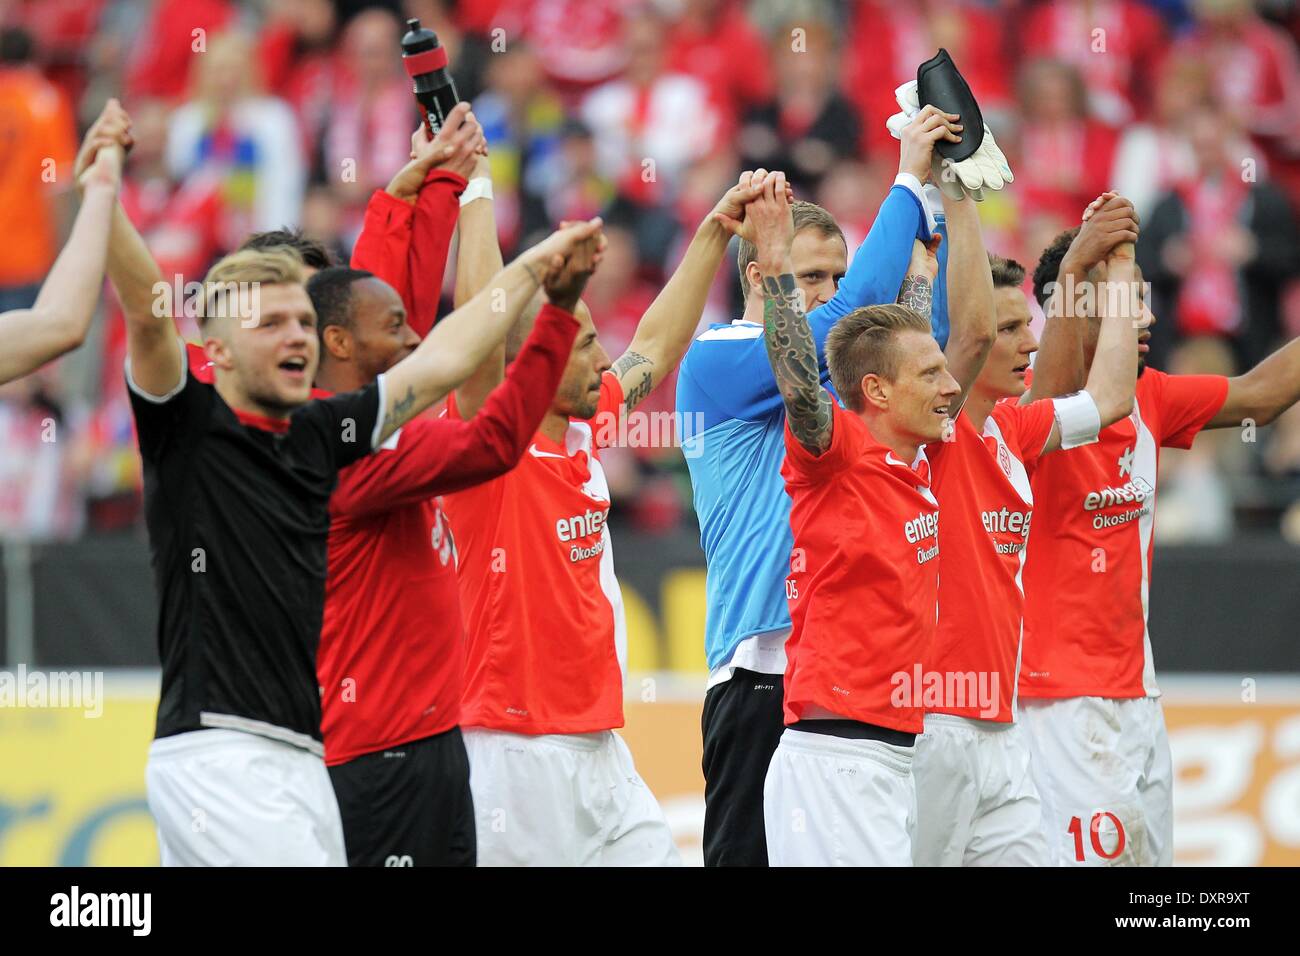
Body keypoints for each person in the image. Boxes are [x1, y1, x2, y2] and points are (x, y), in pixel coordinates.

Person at [91, 94, 604, 863]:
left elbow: (402, 332)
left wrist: (425, 197)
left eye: (302, 317)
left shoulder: (329, 423)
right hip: (278, 751)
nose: (295, 332)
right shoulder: (247, 437)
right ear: (224, 346)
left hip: (339, 745)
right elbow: (150, 317)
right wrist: (103, 192)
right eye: (277, 318)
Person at [439, 169, 780, 867]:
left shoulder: (583, 427)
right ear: (523, 359)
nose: (603, 359)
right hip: (510, 752)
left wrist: (715, 229)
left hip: (599, 745)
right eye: (581, 343)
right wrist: (474, 188)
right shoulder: (484, 449)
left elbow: (654, 346)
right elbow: (475, 327)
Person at [675, 105, 958, 866]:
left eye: (834, 272)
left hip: (834, 683)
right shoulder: (716, 359)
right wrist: (904, 175)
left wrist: (940, 200)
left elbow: (920, 336)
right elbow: (847, 316)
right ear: (759, 272)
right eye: (808, 277)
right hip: (758, 666)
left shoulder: (832, 384)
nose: (828, 290)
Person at [1020, 215, 1300, 866]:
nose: (1142, 316)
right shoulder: (1030, 411)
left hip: (1137, 697)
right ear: (1067, 309)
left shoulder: (1153, 397)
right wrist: (1079, 267)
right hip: (1060, 702)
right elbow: (1061, 389)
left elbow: (1262, 396)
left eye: (1142, 296)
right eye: (1121, 298)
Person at [312, 235, 598, 866]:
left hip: (432, 743)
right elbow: (491, 434)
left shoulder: (378, 431)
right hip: (376, 754)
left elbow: (451, 365)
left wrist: (439, 187)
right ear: (337, 344)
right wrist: (551, 302)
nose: (413, 340)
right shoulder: (339, 447)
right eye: (394, 328)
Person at [748, 165, 994, 866]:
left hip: (889, 756)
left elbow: (938, 337)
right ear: (877, 391)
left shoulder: (916, 457)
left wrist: (926, 254)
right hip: (836, 759)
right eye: (931, 377)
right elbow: (799, 385)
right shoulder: (835, 451)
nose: (952, 388)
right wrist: (773, 264)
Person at [913, 195, 1145, 866]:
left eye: (1029, 324)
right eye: (1011, 327)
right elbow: (969, 337)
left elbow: (1110, 400)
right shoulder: (935, 432)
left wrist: (1123, 268)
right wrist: (959, 198)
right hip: (937, 722)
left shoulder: (1014, 431)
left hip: (1002, 730)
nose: (1031, 341)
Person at [0, 101, 122, 386]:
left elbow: (60, 325)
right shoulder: (44, 103)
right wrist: (100, 188)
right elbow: (62, 325)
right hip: (27, 264)